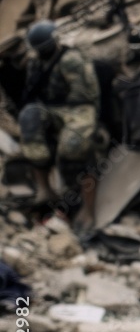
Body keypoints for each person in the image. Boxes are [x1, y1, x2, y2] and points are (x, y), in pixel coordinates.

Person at [17, 20, 102, 234]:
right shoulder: (36, 62)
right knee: (29, 119)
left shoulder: (71, 59)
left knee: (74, 145)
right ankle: (45, 190)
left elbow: (88, 95)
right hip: (51, 108)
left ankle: (87, 208)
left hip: (78, 107)